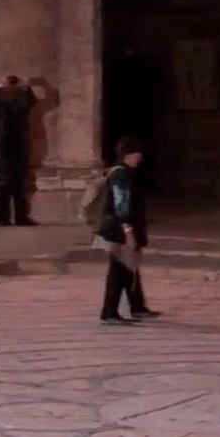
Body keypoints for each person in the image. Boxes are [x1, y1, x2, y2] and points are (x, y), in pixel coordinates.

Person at [96, 137, 159, 324]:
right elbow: (121, 205)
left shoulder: (127, 172)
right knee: (118, 272)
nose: (140, 157)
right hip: (119, 230)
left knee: (130, 268)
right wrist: (128, 232)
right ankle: (109, 313)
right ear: (128, 155)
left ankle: (137, 307)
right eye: (137, 153)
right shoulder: (121, 175)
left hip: (122, 229)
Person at [0, 76, 37, 227]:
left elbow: (30, 102)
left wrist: (24, 87)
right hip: (4, 150)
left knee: (17, 186)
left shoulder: (17, 106)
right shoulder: (0, 107)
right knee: (6, 186)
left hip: (14, 149)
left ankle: (16, 218)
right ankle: (5, 219)